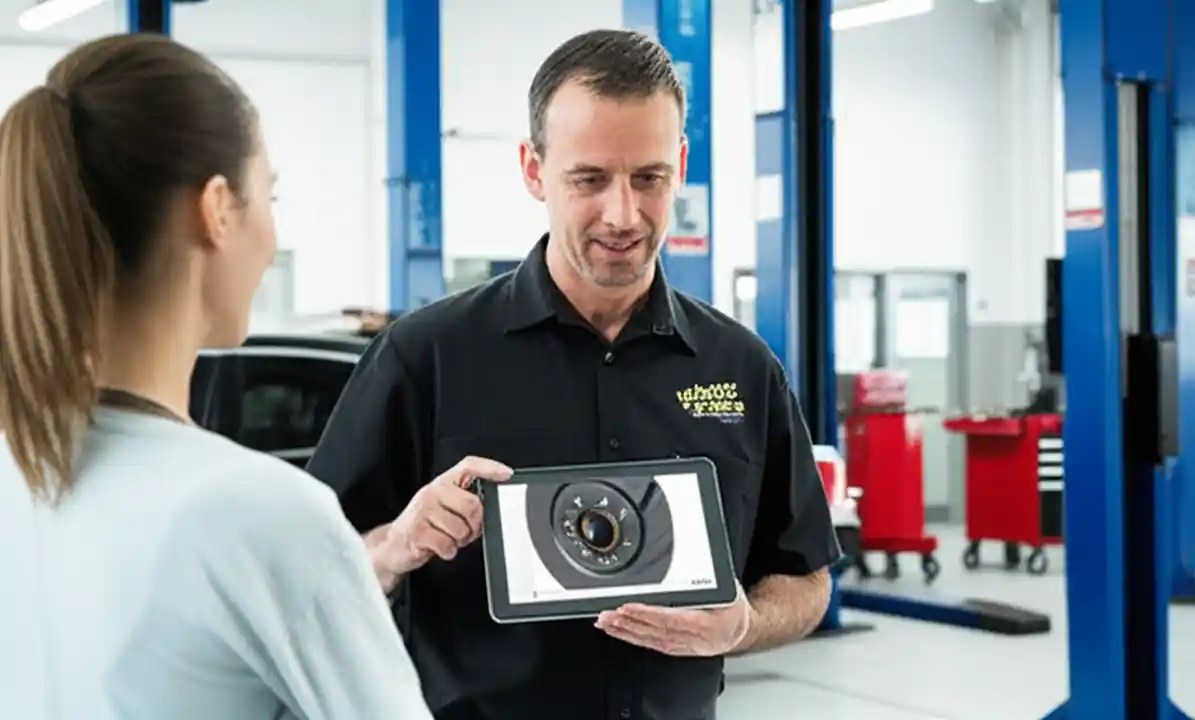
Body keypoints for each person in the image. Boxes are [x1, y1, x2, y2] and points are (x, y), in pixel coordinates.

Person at [307, 28, 841, 720]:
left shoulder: (740, 368)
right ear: (534, 170)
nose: (623, 214)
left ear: (679, 164)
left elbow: (806, 579)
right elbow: (314, 583)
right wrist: (395, 546)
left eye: (649, 178)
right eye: (589, 179)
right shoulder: (426, 357)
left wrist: (742, 624)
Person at [0, 34, 435, 720]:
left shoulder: (20, 466)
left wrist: (355, 573)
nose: (272, 236)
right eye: (271, 194)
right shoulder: (259, 512)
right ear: (216, 211)